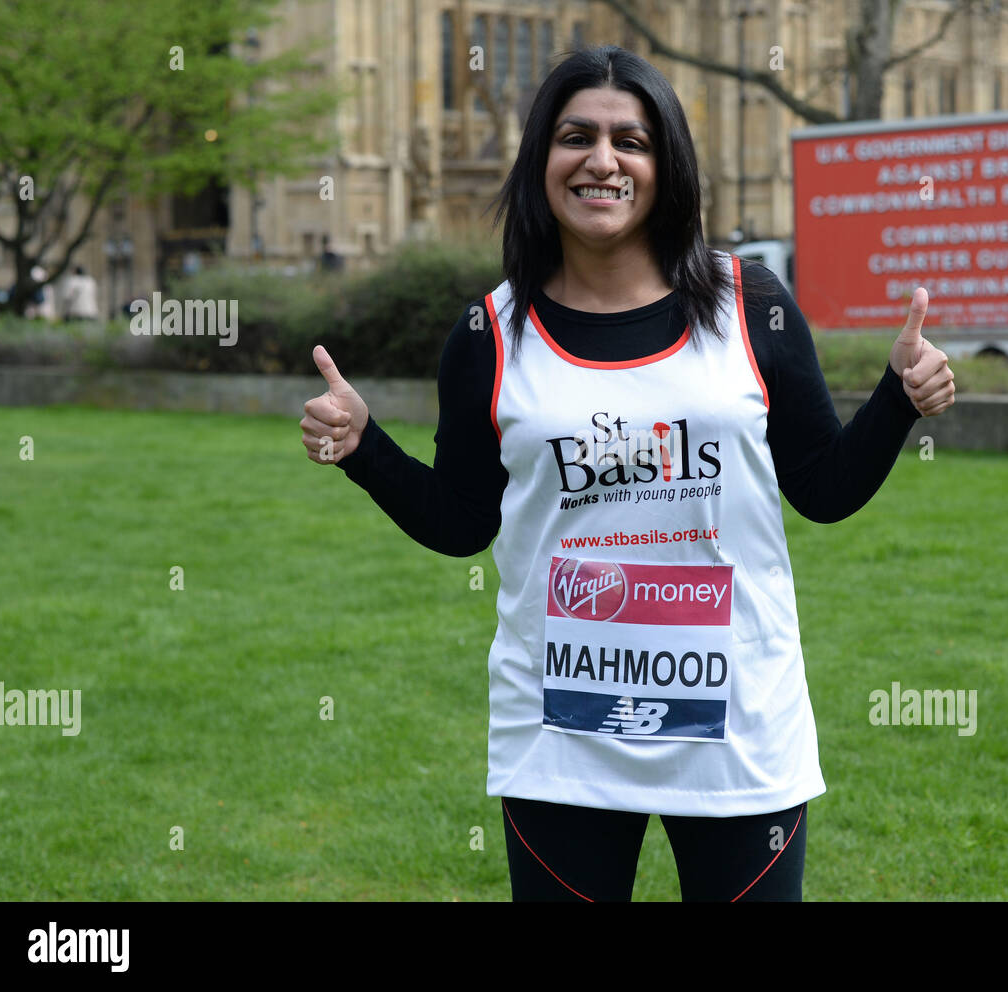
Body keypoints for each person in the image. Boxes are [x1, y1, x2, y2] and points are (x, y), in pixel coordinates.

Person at [300, 44, 954, 902]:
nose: (602, 161)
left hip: (737, 731)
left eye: (631, 141)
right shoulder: (487, 335)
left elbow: (823, 490)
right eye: (576, 137)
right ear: (541, 160)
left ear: (666, 165)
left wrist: (899, 398)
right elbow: (462, 520)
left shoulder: (749, 305)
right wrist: (364, 449)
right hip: (562, 735)